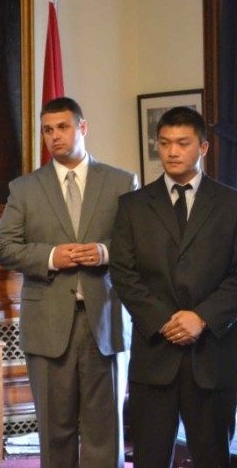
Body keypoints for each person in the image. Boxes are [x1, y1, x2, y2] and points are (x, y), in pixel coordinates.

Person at [0, 97, 138, 467]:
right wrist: (50, 257)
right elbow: (4, 247)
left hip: (104, 320)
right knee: (54, 433)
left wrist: (105, 253)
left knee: (105, 430)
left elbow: (140, 246)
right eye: (47, 130)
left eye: (63, 127)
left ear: (82, 127)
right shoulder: (25, 188)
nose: (54, 136)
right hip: (47, 324)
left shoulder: (121, 182)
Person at [110, 106, 237, 467]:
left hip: (213, 355)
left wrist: (202, 318)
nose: (172, 151)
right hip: (155, 355)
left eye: (182, 143)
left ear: (204, 148)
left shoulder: (231, 204)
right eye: (164, 143)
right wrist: (165, 320)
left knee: (213, 457)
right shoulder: (133, 206)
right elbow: (123, 272)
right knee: (150, 458)